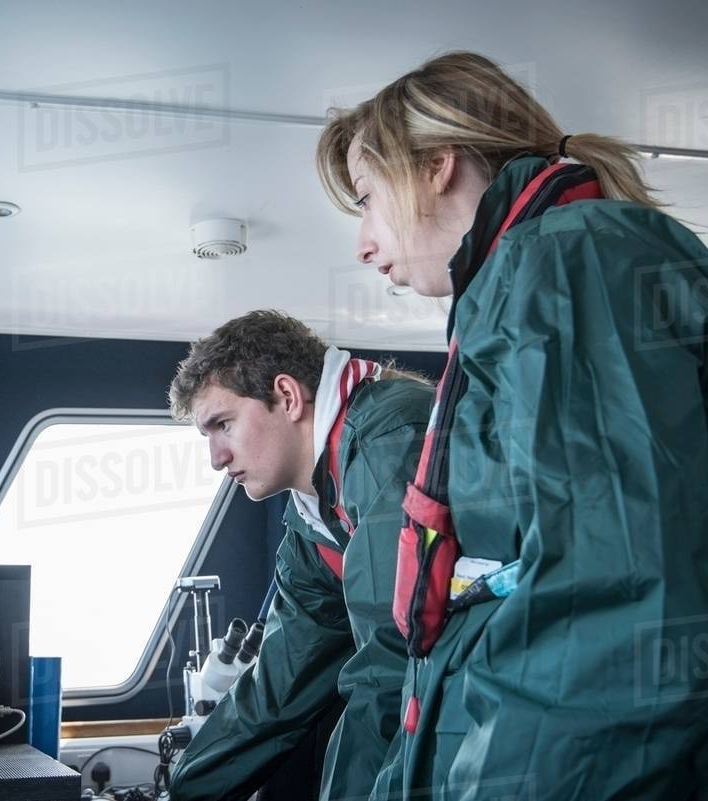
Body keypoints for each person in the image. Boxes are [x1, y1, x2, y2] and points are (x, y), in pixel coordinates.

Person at [316, 51, 708, 799]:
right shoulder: (523, 280)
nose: (363, 243)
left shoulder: (569, 260)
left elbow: (618, 606)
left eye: (366, 199)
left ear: (436, 163)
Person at [166, 310, 433, 801]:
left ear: (287, 397)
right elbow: (277, 689)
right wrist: (182, 792)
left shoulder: (387, 442)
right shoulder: (315, 520)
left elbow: (391, 670)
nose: (216, 458)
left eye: (223, 425)